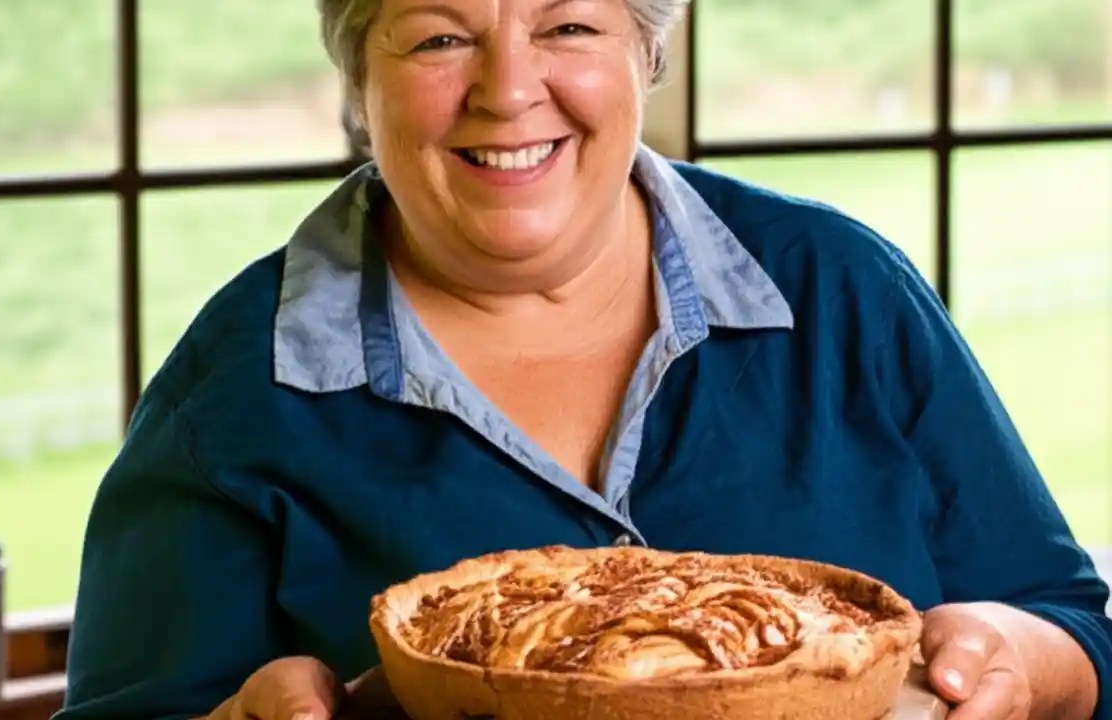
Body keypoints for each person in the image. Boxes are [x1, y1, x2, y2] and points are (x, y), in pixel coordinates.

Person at [53, 0, 1112, 718]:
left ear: (646, 51)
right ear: (354, 77)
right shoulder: (232, 394)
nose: (508, 91)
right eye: (435, 37)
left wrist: (1024, 659)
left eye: (566, 23)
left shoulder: (839, 288)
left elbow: (1072, 627)